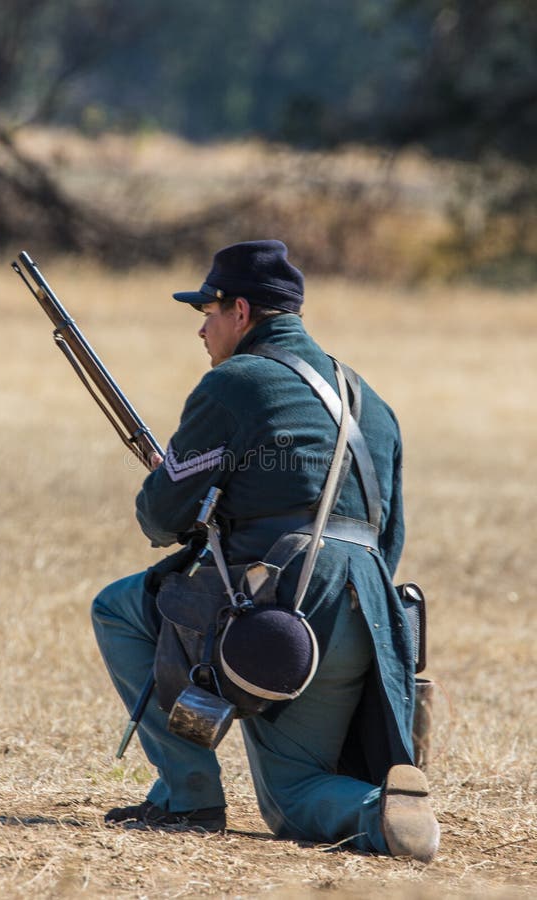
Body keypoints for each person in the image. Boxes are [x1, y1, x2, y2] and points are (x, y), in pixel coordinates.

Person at [92, 240, 439, 861]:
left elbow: (160, 517)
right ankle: (380, 810)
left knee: (117, 608)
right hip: (367, 617)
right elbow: (390, 538)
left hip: (275, 610)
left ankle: (186, 796)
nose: (202, 328)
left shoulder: (233, 383)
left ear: (242, 312)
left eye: (210, 310)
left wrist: (165, 477)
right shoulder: (372, 402)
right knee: (297, 791)